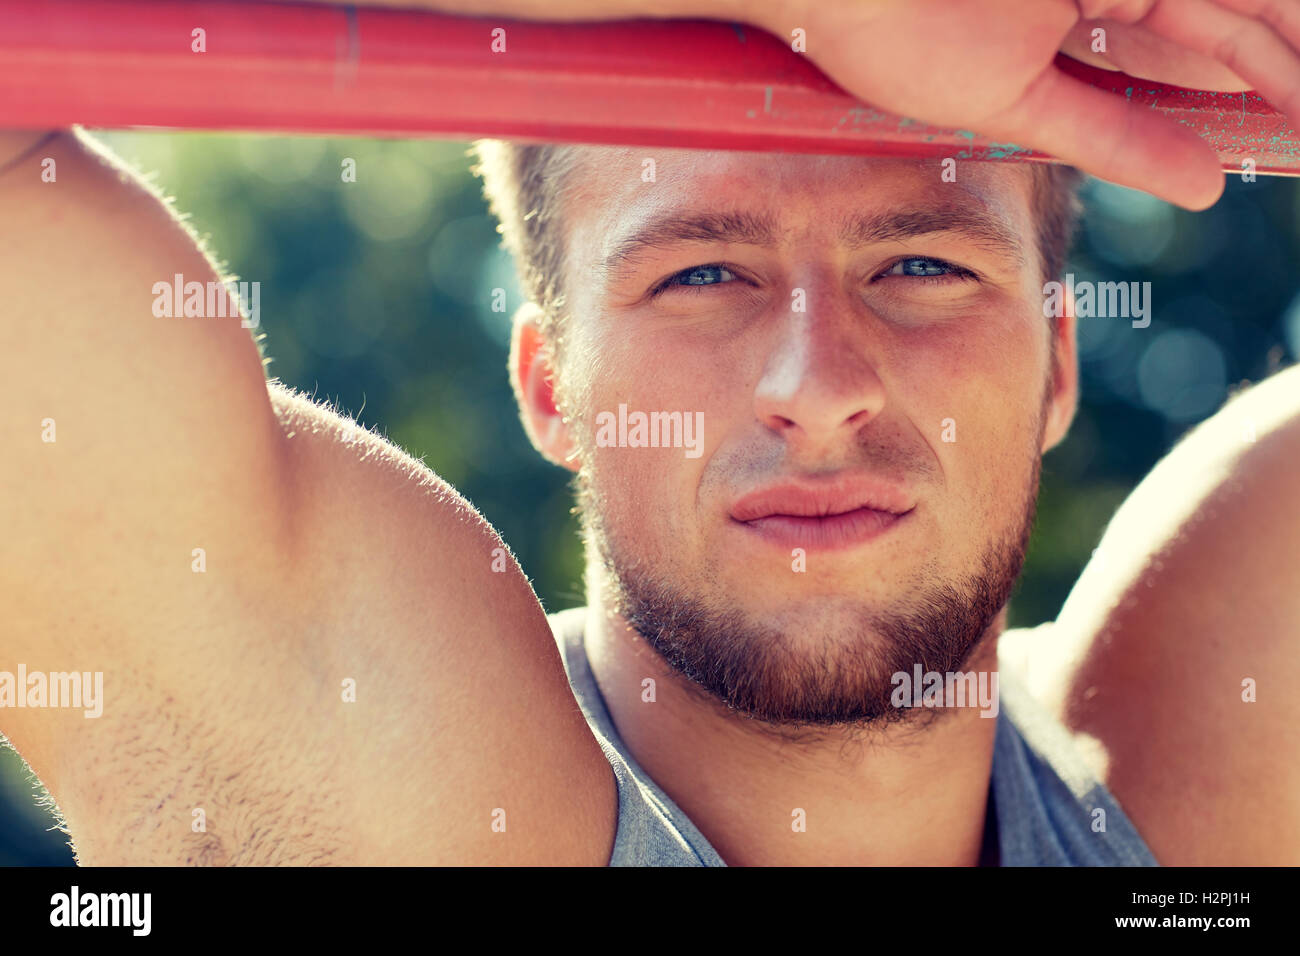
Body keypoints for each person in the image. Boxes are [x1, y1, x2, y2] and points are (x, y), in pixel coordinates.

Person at [0, 0, 1296, 866]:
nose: (818, 383)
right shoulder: (399, 790)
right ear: (552, 384)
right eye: (701, 278)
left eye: (920, 267)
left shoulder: (1205, 775)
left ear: (1060, 360)